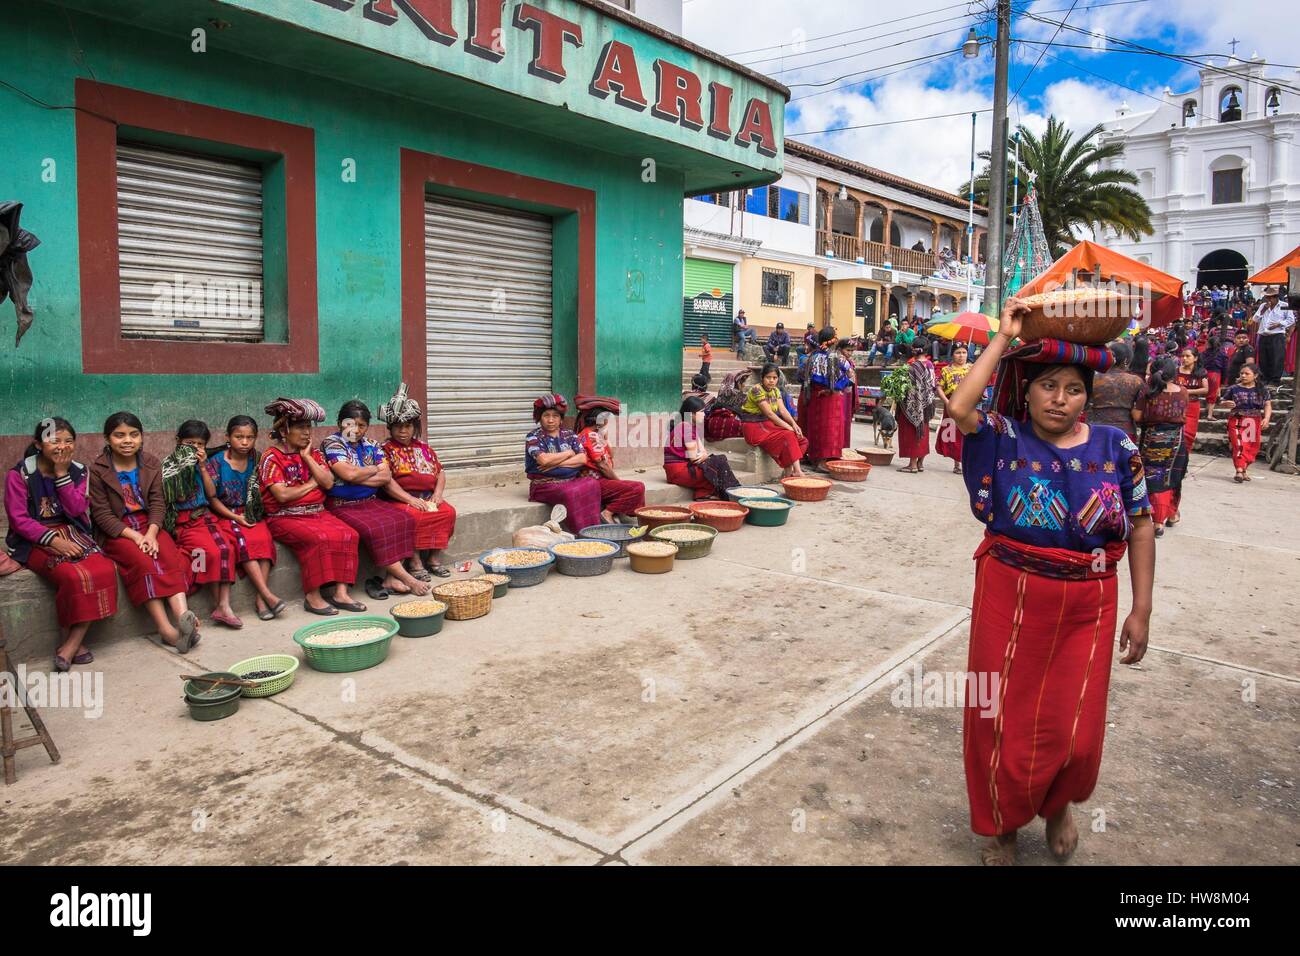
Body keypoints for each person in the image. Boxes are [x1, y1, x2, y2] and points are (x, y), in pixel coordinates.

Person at [945, 299, 1155, 865]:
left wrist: (1142, 609)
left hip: (1090, 601)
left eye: (1073, 388)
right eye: (1048, 387)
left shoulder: (1117, 448)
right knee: (998, 716)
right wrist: (1002, 339)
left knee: (1076, 726)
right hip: (1009, 594)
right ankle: (1004, 826)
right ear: (1027, 390)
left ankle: (1059, 803)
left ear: (1089, 395)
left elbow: (1140, 524)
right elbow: (961, 404)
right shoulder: (1002, 436)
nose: (1060, 399)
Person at [5, 417, 118, 671]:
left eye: (68, 441)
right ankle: (71, 645)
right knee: (71, 575)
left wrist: (61, 474)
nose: (62, 447)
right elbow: (19, 520)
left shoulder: (78, 471)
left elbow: (78, 509)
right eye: (54, 441)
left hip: (72, 530)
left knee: (103, 568)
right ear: (38, 444)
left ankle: (72, 642)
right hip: (32, 539)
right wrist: (54, 541)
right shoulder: (20, 474)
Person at [89, 412, 199, 651]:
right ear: (107, 438)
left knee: (170, 555)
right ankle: (167, 631)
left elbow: (158, 503)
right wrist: (137, 537)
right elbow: (102, 515)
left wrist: (151, 533)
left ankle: (184, 618)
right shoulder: (98, 469)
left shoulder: (150, 463)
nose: (127, 440)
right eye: (119, 435)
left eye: (133, 435)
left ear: (141, 438)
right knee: (144, 562)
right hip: (119, 531)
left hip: (150, 524)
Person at [258, 398, 364, 616]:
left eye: (308, 427)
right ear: (285, 430)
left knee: (349, 534)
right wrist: (312, 484)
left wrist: (306, 458)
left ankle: (340, 593)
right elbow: (283, 495)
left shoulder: (312, 453)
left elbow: (327, 483)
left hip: (316, 512)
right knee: (318, 539)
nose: (307, 433)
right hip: (284, 517)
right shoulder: (271, 457)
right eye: (300, 428)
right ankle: (313, 596)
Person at [321, 400, 429, 600]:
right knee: (375, 528)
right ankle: (408, 578)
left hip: (369, 501)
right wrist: (370, 471)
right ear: (339, 423)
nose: (356, 430)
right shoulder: (333, 443)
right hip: (343, 505)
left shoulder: (371, 445)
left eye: (361, 425)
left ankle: (390, 578)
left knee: (404, 519)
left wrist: (358, 476)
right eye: (350, 424)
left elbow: (385, 477)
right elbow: (347, 474)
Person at [162, 421, 242, 629]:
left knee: (227, 547)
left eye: (200, 444)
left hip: (205, 518)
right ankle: (219, 605)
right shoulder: (169, 467)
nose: (195, 448)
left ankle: (223, 606)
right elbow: (176, 498)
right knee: (209, 552)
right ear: (178, 442)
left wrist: (203, 467)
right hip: (185, 522)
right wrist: (184, 468)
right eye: (190, 443)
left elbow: (211, 493)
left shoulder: (202, 465)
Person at [205, 415, 285, 621]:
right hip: (226, 513)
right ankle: (268, 595)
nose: (244, 442)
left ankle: (260, 599)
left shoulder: (257, 459)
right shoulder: (216, 462)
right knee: (244, 541)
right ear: (228, 437)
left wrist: (249, 514)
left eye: (250, 438)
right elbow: (212, 499)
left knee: (265, 541)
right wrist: (235, 517)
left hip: (250, 511)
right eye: (239, 437)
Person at [379, 383, 456, 581]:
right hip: (401, 499)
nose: (403, 431)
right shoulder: (384, 449)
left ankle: (433, 559)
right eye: (398, 426)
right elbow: (387, 480)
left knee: (447, 512)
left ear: (414, 427)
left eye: (407, 426)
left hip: (428, 496)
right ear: (390, 427)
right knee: (413, 516)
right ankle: (414, 561)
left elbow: (440, 472)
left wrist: (438, 494)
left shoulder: (424, 447)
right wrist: (409, 500)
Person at [526, 393, 625, 532]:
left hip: (570, 480)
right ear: (540, 419)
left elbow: (582, 458)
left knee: (592, 484)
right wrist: (569, 453)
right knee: (572, 492)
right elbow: (543, 459)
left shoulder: (569, 435)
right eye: (546, 416)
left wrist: (554, 463)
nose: (550, 420)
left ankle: (595, 527)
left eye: (555, 416)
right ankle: (582, 532)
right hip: (544, 485)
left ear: (561, 419)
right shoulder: (533, 437)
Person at [1133, 357, 1188, 537]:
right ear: (1174, 373)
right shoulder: (1183, 392)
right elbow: (1184, 415)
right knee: (1169, 479)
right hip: (1175, 442)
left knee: (1150, 478)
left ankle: (1150, 517)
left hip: (1151, 440)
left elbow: (1138, 416)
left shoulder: (1148, 392)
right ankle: (1162, 520)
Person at [574, 394, 646, 523]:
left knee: (631, 487)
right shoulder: (591, 436)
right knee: (637, 487)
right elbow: (603, 466)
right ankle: (607, 513)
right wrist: (619, 481)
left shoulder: (593, 435)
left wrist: (606, 438)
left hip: (597, 481)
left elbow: (610, 455)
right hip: (595, 482)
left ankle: (616, 511)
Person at [664, 396, 741, 499]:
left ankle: (705, 494)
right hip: (679, 472)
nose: (704, 414)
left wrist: (704, 455)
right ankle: (734, 493)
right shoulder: (685, 427)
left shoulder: (690, 426)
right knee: (719, 462)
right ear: (691, 414)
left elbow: (703, 451)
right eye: (702, 412)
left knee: (717, 463)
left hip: (681, 469)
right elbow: (695, 458)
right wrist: (705, 455)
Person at [738, 363, 808, 477]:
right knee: (789, 435)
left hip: (767, 424)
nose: (771, 380)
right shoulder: (756, 390)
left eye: (774, 378)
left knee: (802, 440)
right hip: (753, 427)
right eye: (768, 377)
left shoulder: (775, 391)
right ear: (762, 378)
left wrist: (794, 425)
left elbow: (783, 410)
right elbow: (770, 414)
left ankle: (788, 470)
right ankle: (797, 471)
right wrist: (788, 427)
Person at [1167, 347, 1208, 526]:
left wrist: (1185, 392)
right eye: (1183, 356)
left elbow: (1205, 390)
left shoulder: (1200, 373)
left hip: (1192, 407)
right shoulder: (1175, 373)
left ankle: (1184, 457)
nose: (1184, 358)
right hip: (1177, 405)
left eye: (1188, 356)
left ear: (1195, 358)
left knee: (1188, 435)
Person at [798, 327, 848, 471]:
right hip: (831, 398)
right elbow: (849, 375)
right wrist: (834, 388)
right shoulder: (836, 357)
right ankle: (826, 460)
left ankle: (816, 459)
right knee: (829, 428)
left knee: (816, 427)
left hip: (814, 396)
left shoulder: (811, 358)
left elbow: (801, 376)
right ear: (833, 340)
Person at [1222, 363, 1272, 482]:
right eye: (1242, 373)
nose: (1243, 376)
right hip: (1237, 419)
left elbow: (1268, 404)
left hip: (1254, 420)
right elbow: (1223, 401)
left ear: (1255, 375)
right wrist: (1226, 404)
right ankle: (1239, 470)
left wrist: (1267, 418)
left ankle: (1243, 468)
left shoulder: (1262, 389)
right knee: (1239, 445)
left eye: (1247, 374)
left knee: (1252, 447)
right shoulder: (1233, 388)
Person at [1087, 340, 1143, 439]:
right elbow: (1139, 411)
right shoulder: (1136, 381)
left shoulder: (1093, 378)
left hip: (1096, 429)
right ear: (1126, 360)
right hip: (1124, 431)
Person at [896, 340, 937, 473]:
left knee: (912, 432)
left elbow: (911, 388)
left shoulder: (913, 366)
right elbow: (932, 384)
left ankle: (912, 464)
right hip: (927, 403)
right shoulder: (930, 365)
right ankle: (920, 463)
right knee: (923, 432)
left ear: (914, 350)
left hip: (913, 404)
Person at [934, 342, 972, 473]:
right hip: (952, 404)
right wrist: (946, 402)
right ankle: (957, 463)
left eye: (964, 352)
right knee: (953, 434)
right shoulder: (946, 370)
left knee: (967, 433)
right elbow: (939, 387)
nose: (961, 356)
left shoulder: (973, 369)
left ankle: (966, 461)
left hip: (968, 405)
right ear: (952, 354)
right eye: (958, 352)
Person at [1253, 285, 1296, 386]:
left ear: (1276, 297)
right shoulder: (1263, 306)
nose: (1268, 299)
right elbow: (1255, 319)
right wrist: (1263, 310)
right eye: (1267, 297)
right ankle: (1265, 378)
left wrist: (1279, 324)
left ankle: (1275, 380)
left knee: (1277, 358)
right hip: (1263, 334)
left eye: (1270, 297)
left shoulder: (1285, 305)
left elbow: (1291, 320)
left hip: (1277, 335)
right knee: (1264, 358)